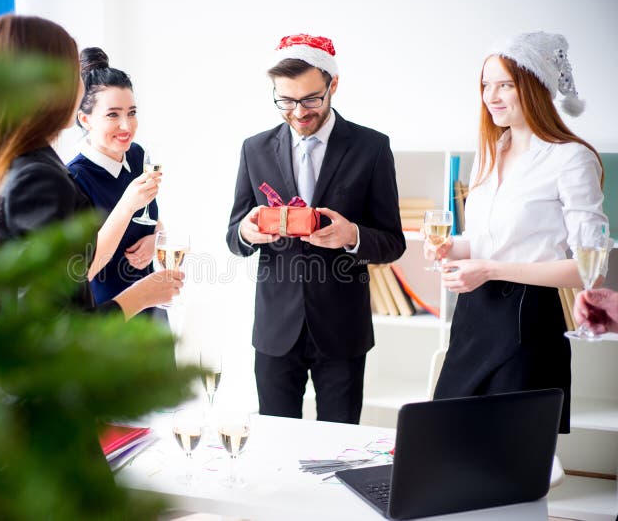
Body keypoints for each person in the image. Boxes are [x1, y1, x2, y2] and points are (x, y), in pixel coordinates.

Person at [0, 14, 182, 320]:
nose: (81, 85)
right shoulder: (41, 178)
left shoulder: (14, 163)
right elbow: (66, 328)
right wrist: (142, 294)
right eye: (74, 75)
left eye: (131, 112)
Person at [425, 32, 608, 433]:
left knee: (509, 462)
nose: (492, 96)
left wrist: (489, 269)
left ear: (536, 86)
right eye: (486, 85)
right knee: (446, 446)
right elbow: (482, 241)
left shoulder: (571, 159)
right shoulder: (490, 151)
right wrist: (451, 247)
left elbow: (587, 269)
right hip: (473, 318)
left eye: (505, 84)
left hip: (528, 324)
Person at [226, 34, 405, 424]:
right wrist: (247, 232)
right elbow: (233, 235)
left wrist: (352, 236)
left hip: (342, 331)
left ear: (333, 86)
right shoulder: (253, 149)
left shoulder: (371, 148)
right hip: (275, 332)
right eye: (285, 101)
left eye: (311, 99)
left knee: (339, 450)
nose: (298, 112)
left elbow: (393, 243)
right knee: (275, 446)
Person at [67, 47, 159, 306]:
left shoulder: (138, 156)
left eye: (131, 112)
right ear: (85, 119)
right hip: (106, 316)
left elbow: (152, 220)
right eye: (112, 114)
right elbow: (82, 272)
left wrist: (155, 241)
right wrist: (127, 205)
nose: (126, 126)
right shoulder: (72, 179)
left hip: (151, 301)